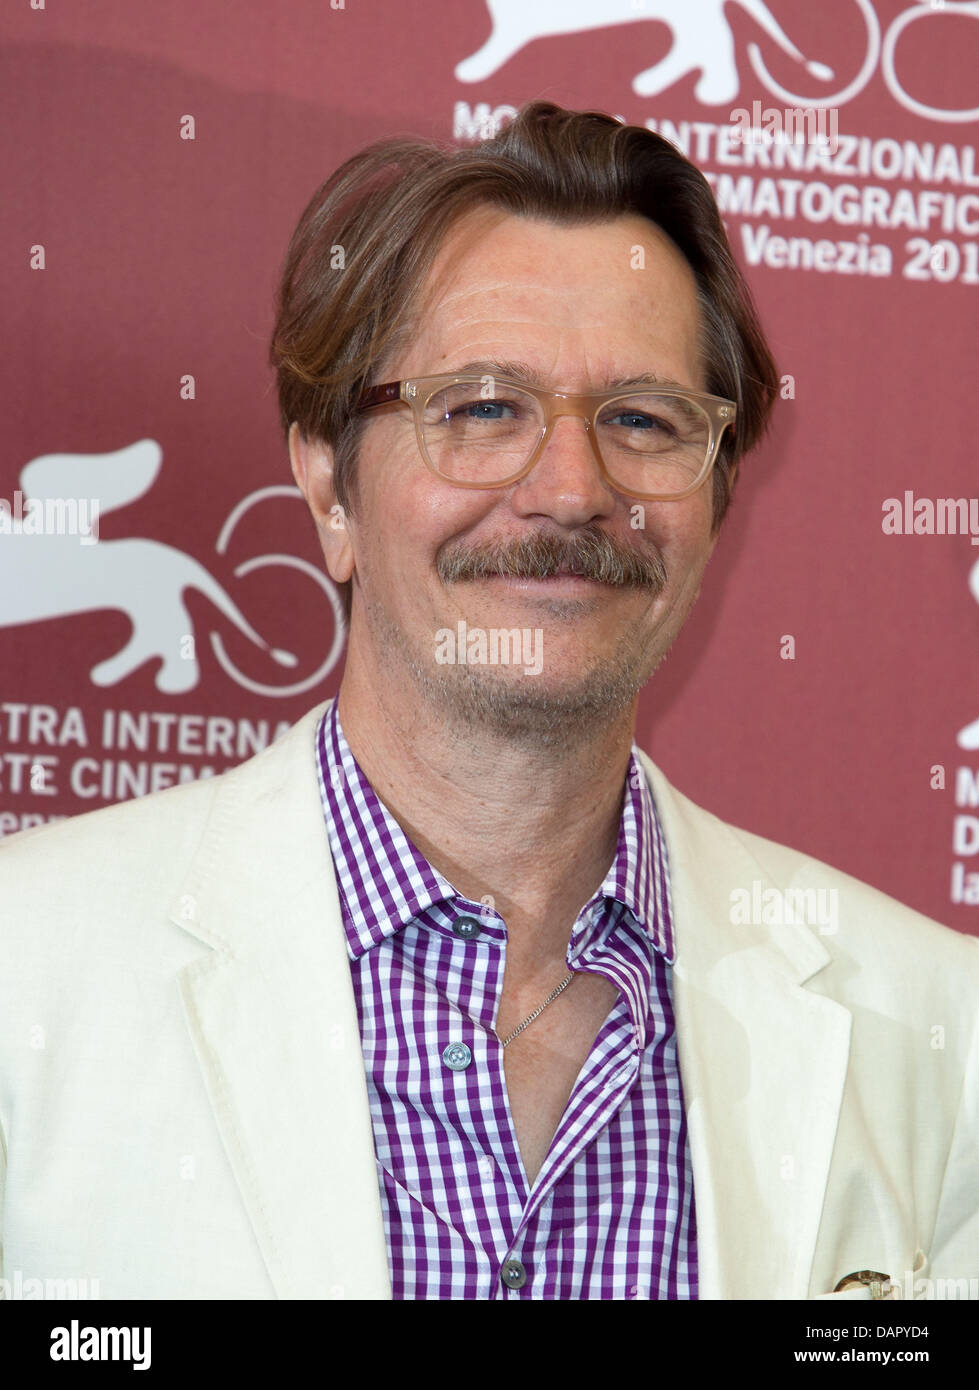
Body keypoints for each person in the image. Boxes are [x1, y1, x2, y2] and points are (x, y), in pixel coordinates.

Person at [1, 102, 976, 1302]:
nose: (569, 488)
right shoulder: (26, 971)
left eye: (641, 419)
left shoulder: (936, 1035)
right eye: (478, 408)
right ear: (328, 483)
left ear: (717, 501)